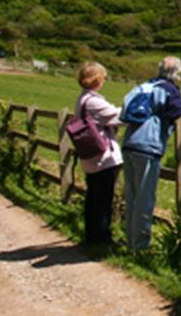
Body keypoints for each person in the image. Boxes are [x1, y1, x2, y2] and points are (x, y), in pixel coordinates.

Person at [121, 56, 181, 250]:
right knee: (145, 199)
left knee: (131, 195)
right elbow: (180, 118)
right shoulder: (169, 90)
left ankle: (130, 240)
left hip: (129, 142)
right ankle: (139, 247)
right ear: (177, 73)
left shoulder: (145, 86)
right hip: (148, 146)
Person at [74, 62, 124, 246]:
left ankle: (92, 236)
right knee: (103, 200)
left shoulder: (83, 99)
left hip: (91, 157)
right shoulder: (93, 101)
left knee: (93, 197)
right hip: (102, 158)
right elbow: (117, 117)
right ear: (97, 79)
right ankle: (103, 239)